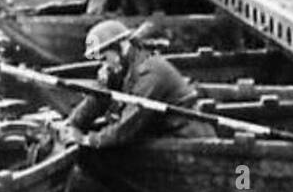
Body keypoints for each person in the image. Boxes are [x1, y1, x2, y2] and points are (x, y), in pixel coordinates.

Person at [61, 19, 204, 149]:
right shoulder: (123, 68)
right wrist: (73, 123)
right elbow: (101, 97)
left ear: (122, 47)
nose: (104, 66)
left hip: (186, 138)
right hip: (161, 132)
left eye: (105, 59)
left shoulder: (150, 72)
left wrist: (89, 140)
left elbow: (128, 126)